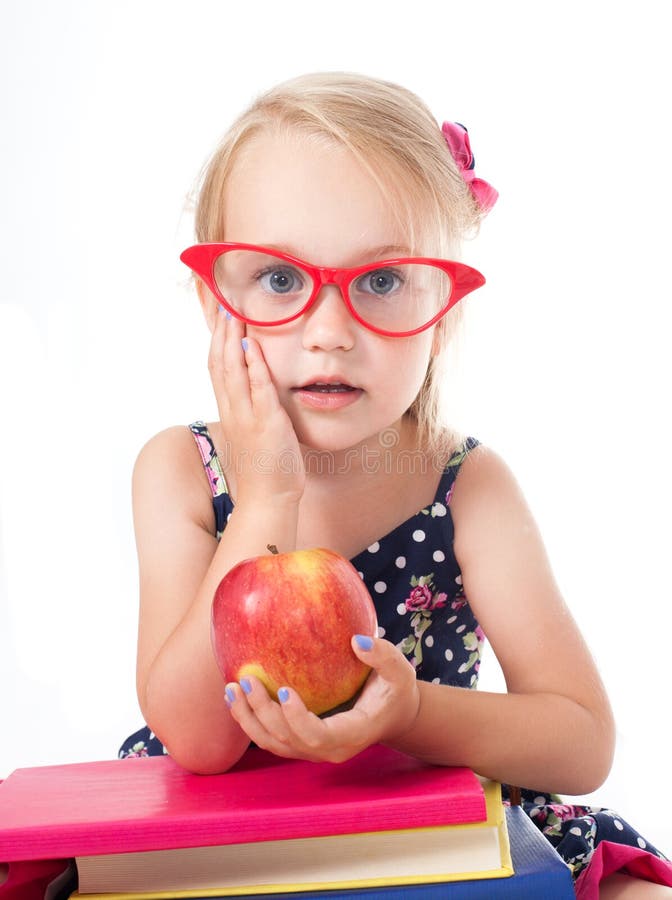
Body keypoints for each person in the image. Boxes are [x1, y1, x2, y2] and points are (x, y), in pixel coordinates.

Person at [119, 73, 672, 897]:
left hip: (436, 836)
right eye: (279, 281)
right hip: (238, 845)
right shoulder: (183, 472)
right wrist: (270, 500)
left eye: (380, 282)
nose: (332, 334)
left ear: (441, 309)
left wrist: (413, 716)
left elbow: (581, 740)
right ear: (216, 305)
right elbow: (197, 738)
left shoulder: (467, 486)